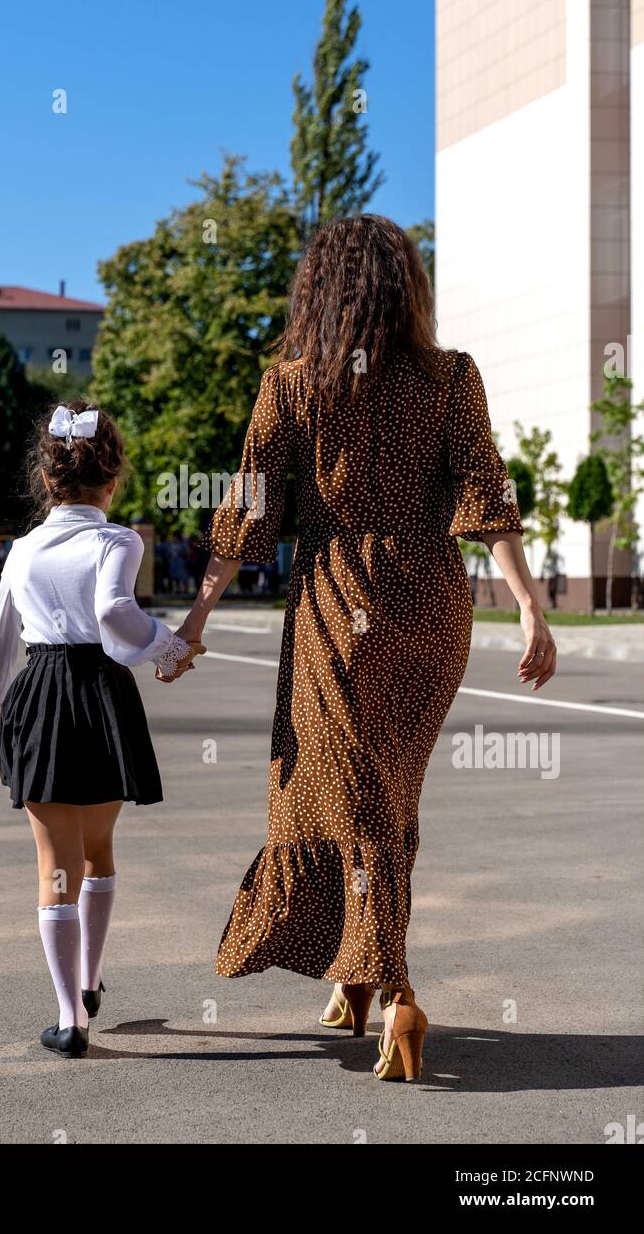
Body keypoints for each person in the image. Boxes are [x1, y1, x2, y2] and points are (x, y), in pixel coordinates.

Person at [165, 215, 557, 1083]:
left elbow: (247, 514)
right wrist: (528, 604)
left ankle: (400, 989)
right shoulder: (452, 378)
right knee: (384, 796)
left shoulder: (291, 386)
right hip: (431, 607)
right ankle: (355, 970)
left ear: (318, 288)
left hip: (339, 610)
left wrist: (195, 618)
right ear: (405, 288)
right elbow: (486, 493)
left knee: (345, 793)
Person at [0, 401, 203, 1059]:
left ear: (48, 481)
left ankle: (71, 1017)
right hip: (101, 696)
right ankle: (90, 978)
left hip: (39, 696)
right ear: (114, 479)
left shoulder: (22, 550)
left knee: (54, 866)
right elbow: (115, 613)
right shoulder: (119, 540)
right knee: (97, 849)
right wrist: (168, 650)